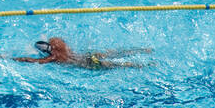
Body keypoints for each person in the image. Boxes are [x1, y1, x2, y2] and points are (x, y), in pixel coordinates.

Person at [10, 37, 150, 70]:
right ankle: (143, 50)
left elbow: (32, 61)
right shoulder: (60, 45)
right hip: (90, 55)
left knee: (119, 65)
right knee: (115, 53)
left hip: (88, 63)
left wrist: (15, 58)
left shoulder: (54, 57)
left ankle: (143, 65)